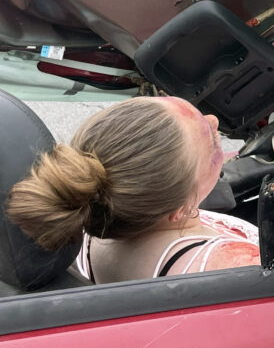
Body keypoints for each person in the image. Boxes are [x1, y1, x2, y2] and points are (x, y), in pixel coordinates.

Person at [7, 96, 259, 283]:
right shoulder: (235, 265)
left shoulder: (90, 211)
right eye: (211, 140)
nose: (214, 120)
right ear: (179, 209)